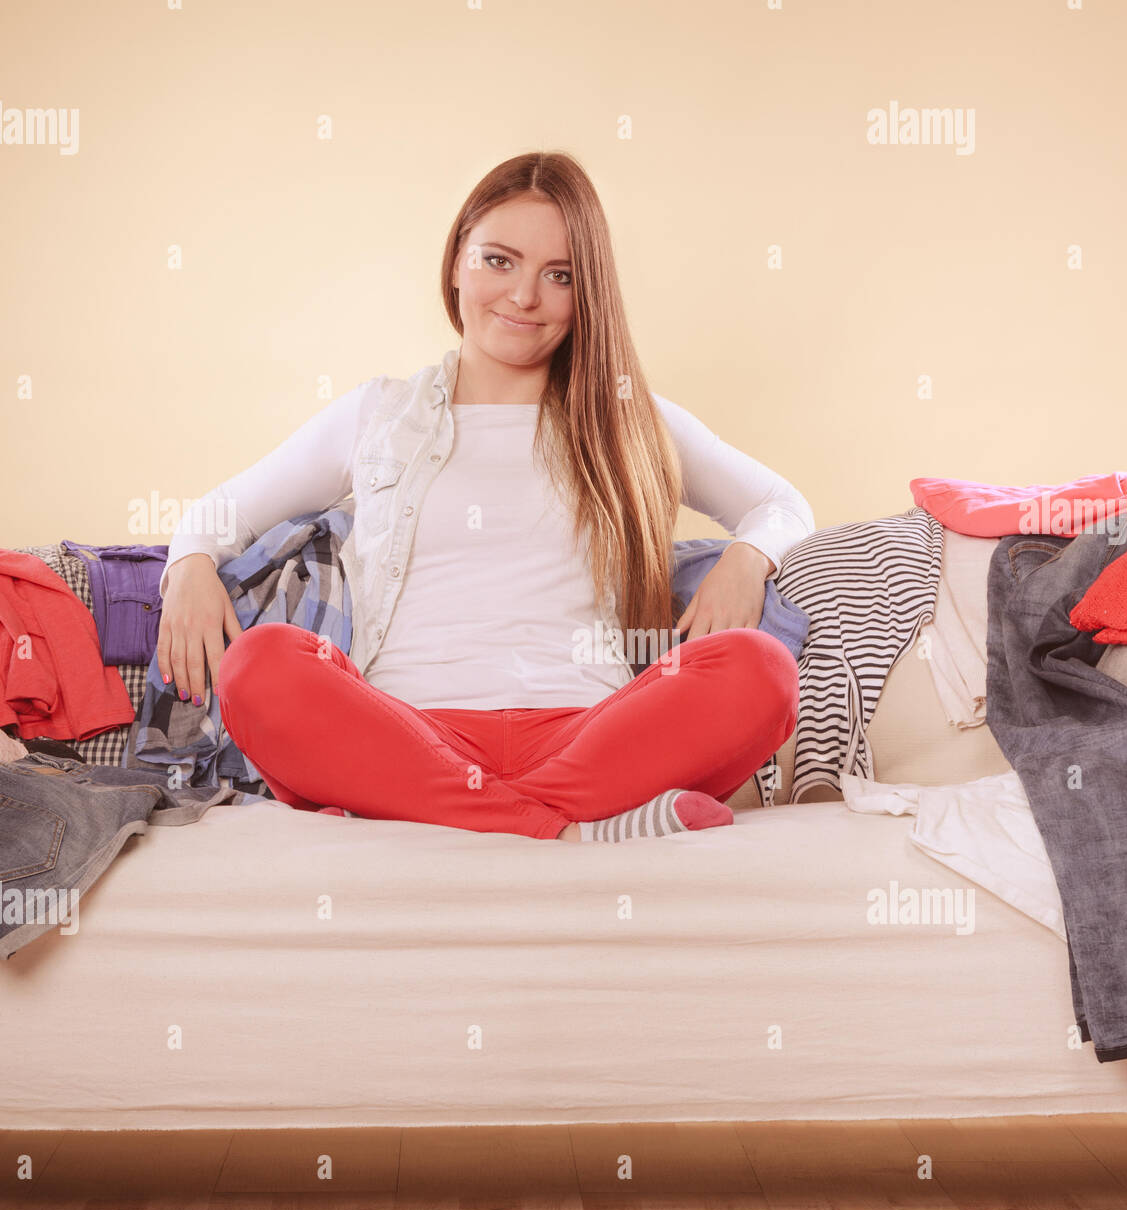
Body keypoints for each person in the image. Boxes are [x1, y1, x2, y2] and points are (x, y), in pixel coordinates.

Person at [156, 151, 814, 842]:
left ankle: (460, 818)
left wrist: (746, 560)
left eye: (558, 276)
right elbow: (216, 515)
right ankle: (571, 832)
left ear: (586, 292)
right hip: (410, 732)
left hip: (588, 734)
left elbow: (782, 504)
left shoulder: (629, 418)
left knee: (761, 670)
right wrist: (191, 564)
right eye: (499, 261)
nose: (524, 297)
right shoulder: (377, 414)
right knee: (260, 667)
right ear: (455, 264)